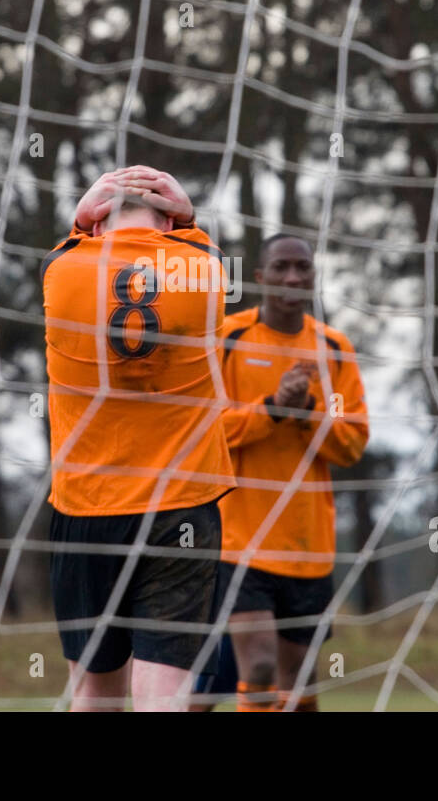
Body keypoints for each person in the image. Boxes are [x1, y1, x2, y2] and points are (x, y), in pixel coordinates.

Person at [42, 166, 234, 711]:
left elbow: (62, 252)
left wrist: (79, 223)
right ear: (170, 222)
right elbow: (206, 254)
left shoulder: (62, 272)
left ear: (97, 224)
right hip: (181, 507)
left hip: (85, 505)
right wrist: (192, 221)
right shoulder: (201, 270)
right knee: (164, 692)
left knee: (95, 691)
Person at [216, 233, 369, 711]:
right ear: (260, 277)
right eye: (281, 266)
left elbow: (351, 443)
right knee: (258, 668)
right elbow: (207, 431)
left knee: (299, 683)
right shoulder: (228, 339)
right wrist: (272, 409)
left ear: (314, 278)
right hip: (241, 539)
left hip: (307, 543)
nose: (292, 277)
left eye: (303, 268)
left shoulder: (333, 349)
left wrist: (306, 413)